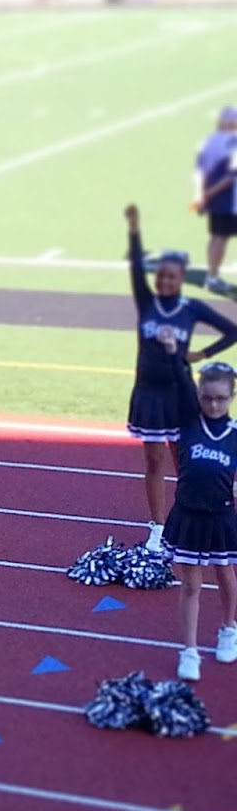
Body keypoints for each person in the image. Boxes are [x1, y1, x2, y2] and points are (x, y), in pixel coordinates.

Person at [123, 204, 237, 552]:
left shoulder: (192, 308)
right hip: (147, 393)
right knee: (153, 460)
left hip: (179, 393)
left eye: (172, 277)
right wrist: (134, 230)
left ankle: (186, 518)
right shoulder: (147, 303)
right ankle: (157, 528)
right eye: (162, 277)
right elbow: (136, 270)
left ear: (181, 277)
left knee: (184, 457)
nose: (165, 282)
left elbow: (232, 330)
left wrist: (201, 355)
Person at [160, 355, 237, 680]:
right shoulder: (186, 428)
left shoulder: (235, 434)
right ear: (199, 395)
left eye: (221, 398)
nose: (214, 404)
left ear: (231, 397)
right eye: (207, 397)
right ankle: (189, 651)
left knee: (225, 574)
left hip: (221, 517)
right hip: (189, 516)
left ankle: (229, 627)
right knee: (190, 584)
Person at [190, 106, 237, 295]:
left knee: (216, 236)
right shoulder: (233, 143)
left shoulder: (207, 142)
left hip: (214, 201)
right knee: (220, 238)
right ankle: (213, 278)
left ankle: (212, 275)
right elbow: (231, 177)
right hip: (229, 201)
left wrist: (200, 195)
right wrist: (209, 194)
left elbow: (199, 171)